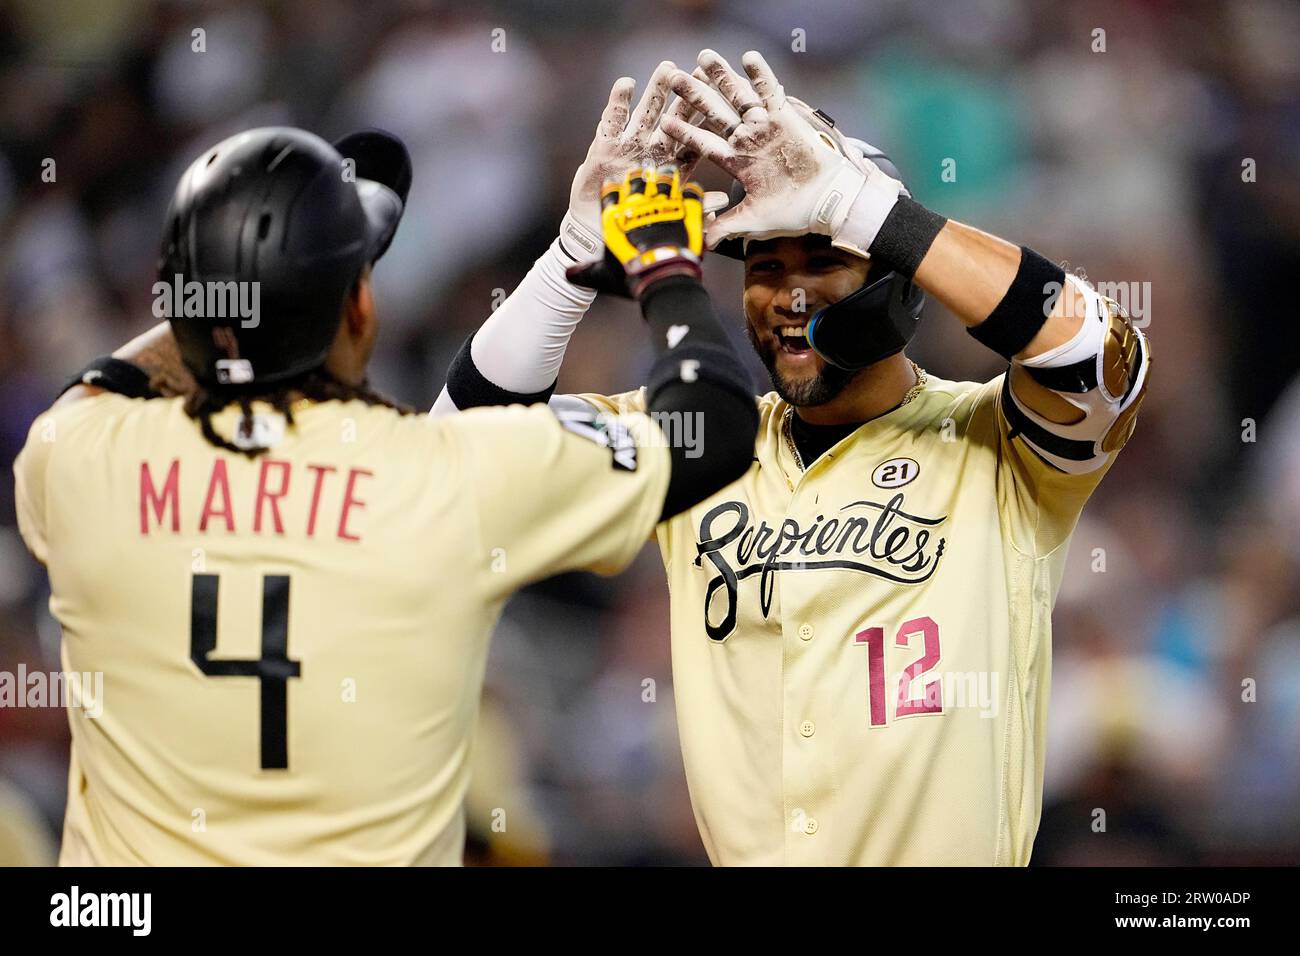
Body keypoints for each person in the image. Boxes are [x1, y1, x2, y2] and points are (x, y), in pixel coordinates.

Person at [436, 51, 1151, 865]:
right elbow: (454, 465)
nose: (788, 292)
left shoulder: (997, 445)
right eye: (766, 266)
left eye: (823, 258)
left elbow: (1103, 355)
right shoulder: (696, 442)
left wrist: (864, 207)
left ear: (902, 281)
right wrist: (572, 253)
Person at [12, 122, 756, 865]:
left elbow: (110, 379)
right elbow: (712, 424)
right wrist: (662, 265)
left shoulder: (75, 455)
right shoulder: (437, 475)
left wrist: (251, 268)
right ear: (361, 311)